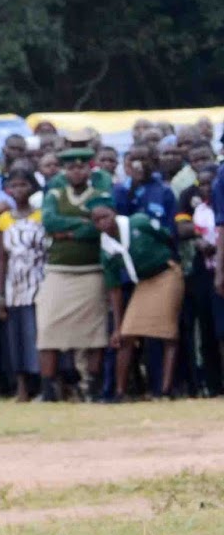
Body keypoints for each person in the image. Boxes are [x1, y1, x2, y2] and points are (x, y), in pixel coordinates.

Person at [38, 146, 112, 401]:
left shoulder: (101, 193)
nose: (76, 172)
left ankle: (91, 388)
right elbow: (48, 222)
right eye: (71, 167)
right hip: (58, 271)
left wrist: (69, 233)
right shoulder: (55, 193)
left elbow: (98, 228)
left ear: (89, 169)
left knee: (94, 334)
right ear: (64, 170)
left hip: (91, 271)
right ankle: (49, 390)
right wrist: (82, 222)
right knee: (48, 329)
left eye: (81, 167)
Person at [95, 203, 183, 398]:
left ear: (115, 214)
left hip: (166, 273)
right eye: (98, 220)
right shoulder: (107, 249)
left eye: (106, 216)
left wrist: (175, 263)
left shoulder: (138, 222)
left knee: (167, 333)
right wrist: (117, 327)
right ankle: (120, 392)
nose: (104, 222)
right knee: (126, 335)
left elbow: (166, 236)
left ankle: (166, 390)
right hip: (143, 283)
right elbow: (114, 288)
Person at [0, 167, 46, 402]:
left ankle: (46, 386)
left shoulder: (42, 215)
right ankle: (22, 388)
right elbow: (1, 258)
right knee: (17, 337)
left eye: (23, 185)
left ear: (32, 187)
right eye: (13, 186)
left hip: (40, 280)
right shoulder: (3, 220)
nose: (18, 190)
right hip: (14, 284)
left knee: (40, 334)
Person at [177, 163, 221, 395]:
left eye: (210, 182)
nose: (206, 187)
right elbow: (181, 229)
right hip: (203, 271)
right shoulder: (199, 209)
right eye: (201, 184)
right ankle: (213, 385)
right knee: (207, 327)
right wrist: (199, 238)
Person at [115, 152, 177, 236]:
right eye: (134, 160)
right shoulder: (121, 190)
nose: (138, 165)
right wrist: (133, 187)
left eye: (143, 159)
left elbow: (172, 227)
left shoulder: (164, 191)